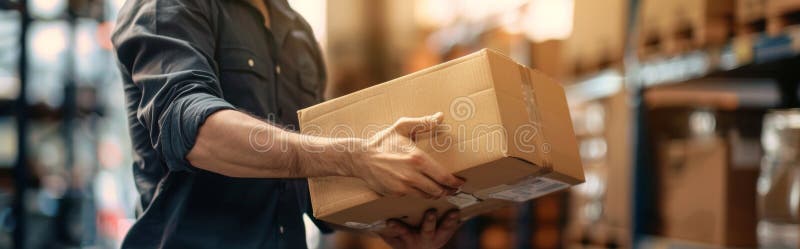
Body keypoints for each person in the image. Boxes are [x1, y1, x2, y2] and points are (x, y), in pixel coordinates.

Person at [111, 0, 465, 248]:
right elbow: (197, 132)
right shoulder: (169, 6)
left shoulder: (296, 32)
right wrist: (356, 156)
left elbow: (311, 177)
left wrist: (391, 222)